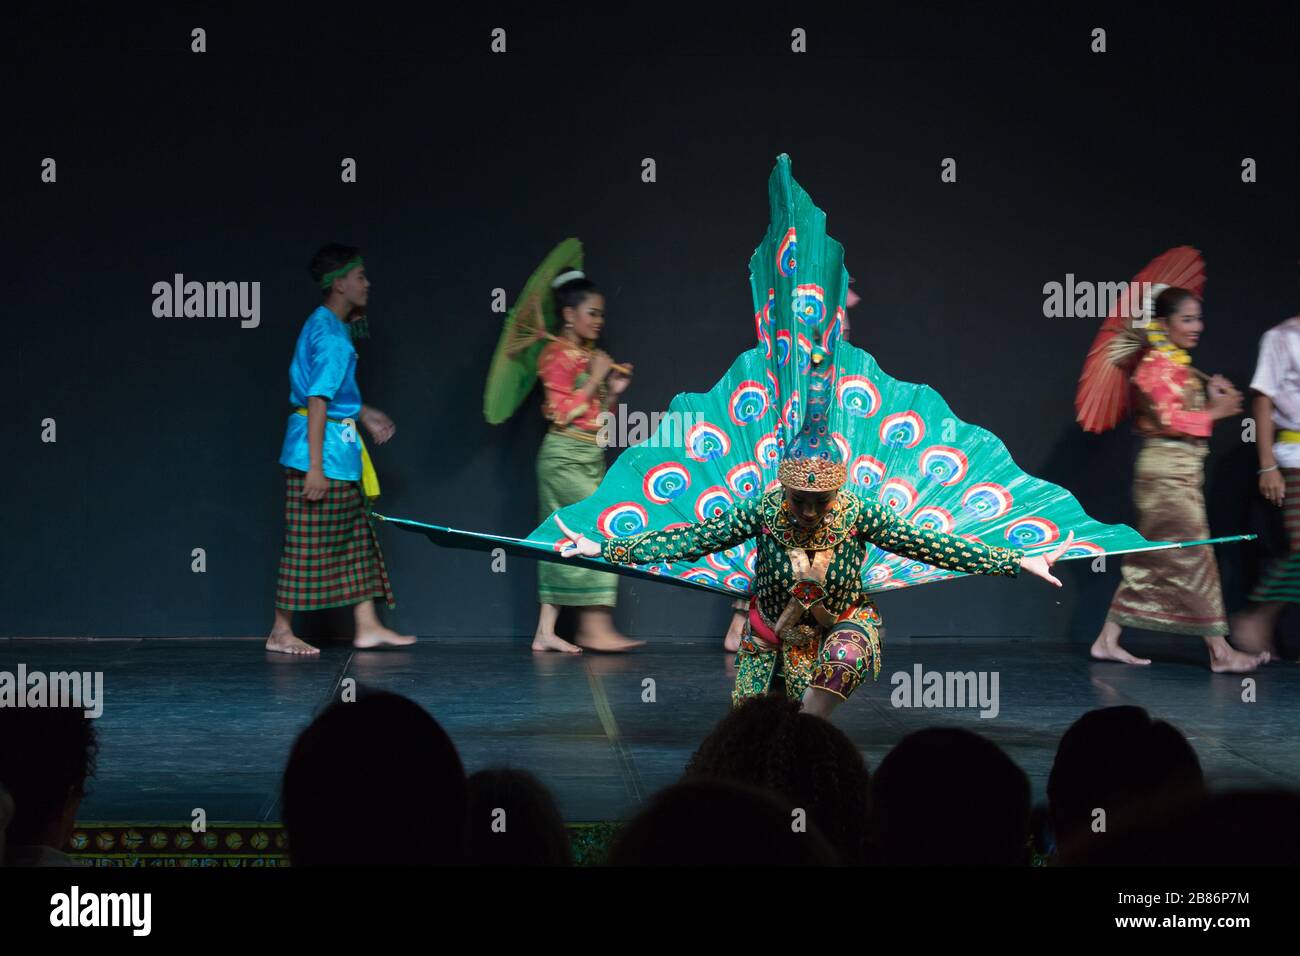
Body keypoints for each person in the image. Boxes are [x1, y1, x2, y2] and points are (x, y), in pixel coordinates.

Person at [1089, 287, 1268, 671]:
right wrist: (1216, 410)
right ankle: (1220, 653)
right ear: (1163, 324)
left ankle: (1106, 640)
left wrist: (1210, 395)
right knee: (1197, 554)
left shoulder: (1178, 365)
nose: (1197, 326)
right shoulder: (1152, 367)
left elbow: (1181, 416)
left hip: (1180, 473)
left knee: (1152, 557)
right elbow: (1170, 422)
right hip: (1165, 477)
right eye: (1187, 319)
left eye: (1198, 318)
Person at [267, 244, 413, 655]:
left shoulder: (327, 325)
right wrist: (314, 467)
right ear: (339, 283)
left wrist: (363, 412)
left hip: (338, 451)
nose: (367, 284)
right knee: (306, 542)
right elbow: (316, 399)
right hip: (320, 455)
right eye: (361, 276)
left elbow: (332, 395)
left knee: (355, 540)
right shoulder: (332, 336)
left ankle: (366, 625)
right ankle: (280, 631)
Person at [532, 272, 642, 653]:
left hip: (589, 454)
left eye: (601, 315)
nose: (598, 322)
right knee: (595, 527)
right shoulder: (555, 356)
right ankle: (594, 626)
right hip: (563, 457)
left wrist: (610, 392)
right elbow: (561, 415)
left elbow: (598, 423)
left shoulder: (585, 357)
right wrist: (594, 377)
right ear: (568, 314)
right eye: (591, 314)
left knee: (560, 537)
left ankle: (546, 631)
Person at [1231, 314, 1300, 657]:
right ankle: (1258, 615)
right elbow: (1262, 399)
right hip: (1293, 457)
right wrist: (1267, 464)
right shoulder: (1282, 336)